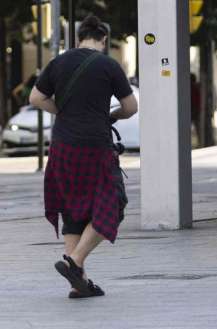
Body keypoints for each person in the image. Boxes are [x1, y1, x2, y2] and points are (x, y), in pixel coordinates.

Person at [29, 15, 137, 299]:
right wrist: (111, 115)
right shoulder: (109, 65)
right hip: (95, 146)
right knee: (114, 204)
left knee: (71, 209)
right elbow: (131, 107)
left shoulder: (58, 62)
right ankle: (74, 262)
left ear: (78, 39)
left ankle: (80, 283)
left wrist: (63, 111)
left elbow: (35, 98)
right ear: (103, 40)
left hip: (62, 146)